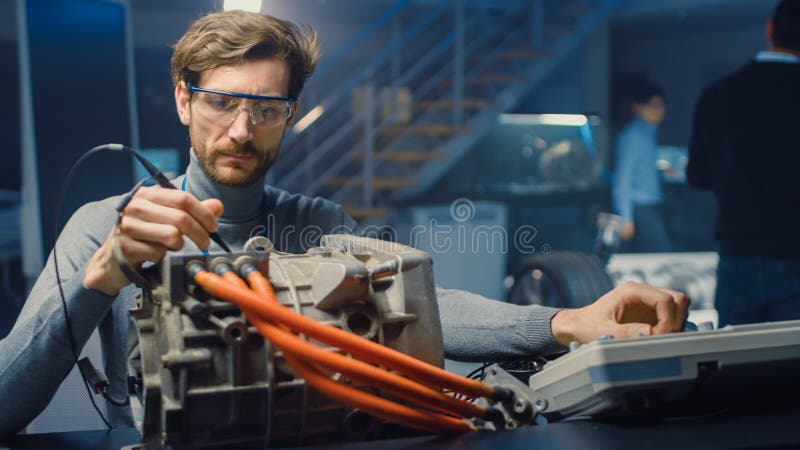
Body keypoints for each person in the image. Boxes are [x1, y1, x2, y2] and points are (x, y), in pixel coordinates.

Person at [0, 10, 689, 435]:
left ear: (291, 115)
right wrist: (98, 280)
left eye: (268, 109)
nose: (243, 130)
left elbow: (427, 307)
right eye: (220, 103)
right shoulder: (108, 226)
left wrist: (563, 323)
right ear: (183, 100)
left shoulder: (317, 223)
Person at [687, 0, 800, 326]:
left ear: (769, 28)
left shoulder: (717, 95)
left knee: (738, 368)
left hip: (739, 252)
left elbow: (698, 175)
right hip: (795, 253)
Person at [612, 80, 671, 253]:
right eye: (652, 105)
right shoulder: (633, 136)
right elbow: (622, 180)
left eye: (661, 105)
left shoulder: (648, 133)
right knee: (660, 252)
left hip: (650, 204)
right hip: (639, 206)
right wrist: (626, 218)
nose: (657, 110)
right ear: (637, 107)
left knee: (651, 253)